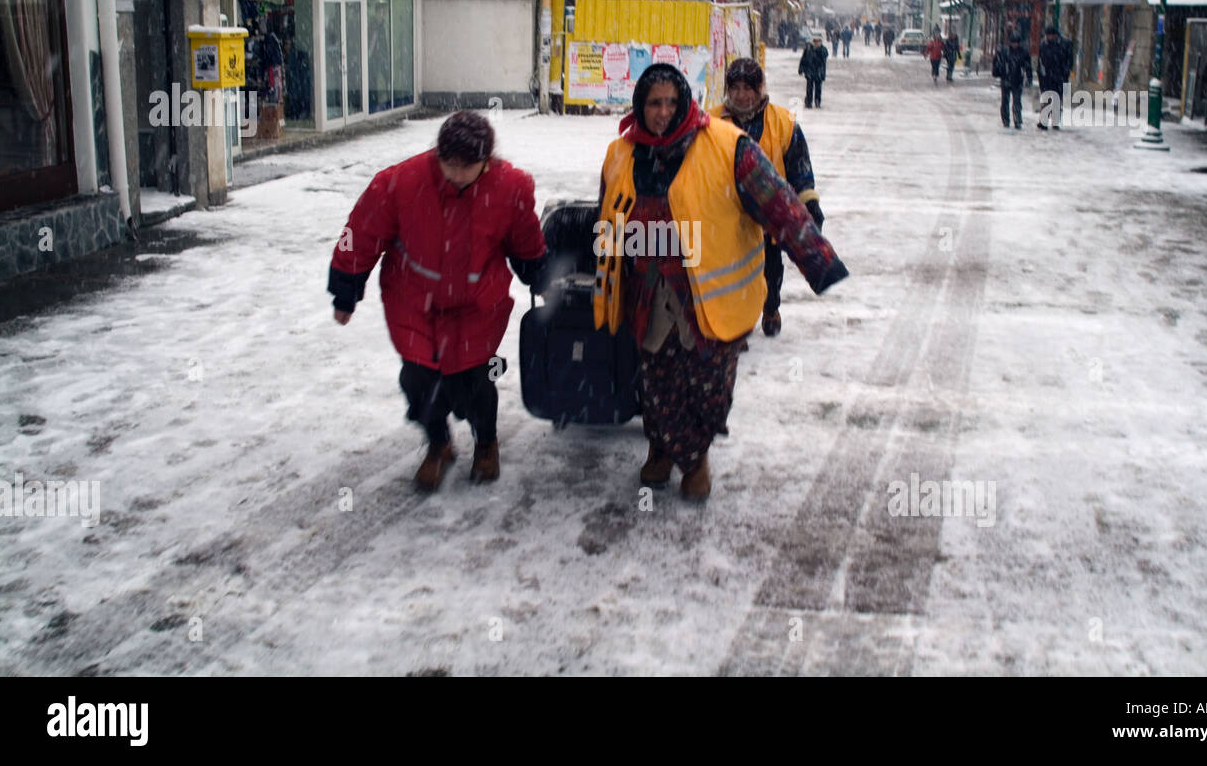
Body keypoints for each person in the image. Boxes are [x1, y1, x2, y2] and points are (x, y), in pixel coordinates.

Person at [593, 63, 848, 499]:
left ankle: (695, 458)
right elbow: (608, 216)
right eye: (654, 103)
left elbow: (779, 204)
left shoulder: (729, 146)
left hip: (711, 298)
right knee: (657, 381)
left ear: (686, 103)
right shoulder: (622, 152)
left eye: (672, 102)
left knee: (708, 387)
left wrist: (817, 259)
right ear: (640, 105)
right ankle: (661, 447)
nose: (662, 112)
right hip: (650, 293)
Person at [328, 111, 548, 491]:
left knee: (477, 379)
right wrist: (346, 288)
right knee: (418, 379)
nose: (458, 174)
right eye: (450, 164)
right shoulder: (399, 183)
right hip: (414, 301)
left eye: (469, 166)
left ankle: (486, 442)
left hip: (478, 305)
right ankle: (438, 443)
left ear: (487, 160)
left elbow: (526, 240)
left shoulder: (509, 187)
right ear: (438, 155)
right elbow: (359, 235)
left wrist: (538, 272)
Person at [708, 58, 825, 338]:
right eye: (734, 88)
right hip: (728, 216)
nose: (740, 94)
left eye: (748, 87)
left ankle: (770, 307)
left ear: (760, 88)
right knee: (731, 274)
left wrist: (808, 202)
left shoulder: (784, 124)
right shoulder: (710, 121)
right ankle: (737, 323)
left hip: (768, 216)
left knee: (770, 275)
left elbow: (799, 168)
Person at [1037, 24, 1075, 130]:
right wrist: (1041, 73)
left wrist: (1065, 71)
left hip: (1060, 76)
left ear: (1054, 35)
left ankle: (1055, 122)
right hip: (1047, 76)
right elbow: (1041, 60)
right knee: (1046, 99)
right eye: (1046, 36)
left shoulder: (1065, 44)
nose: (1047, 38)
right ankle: (1044, 121)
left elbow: (1069, 60)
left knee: (1057, 99)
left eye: (1049, 36)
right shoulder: (1044, 44)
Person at [992, 30, 1033, 129]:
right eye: (1013, 42)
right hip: (1006, 79)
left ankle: (1017, 120)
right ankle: (1006, 120)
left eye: (1016, 42)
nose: (1015, 44)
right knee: (1005, 101)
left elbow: (1028, 66)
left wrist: (1029, 77)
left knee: (1017, 102)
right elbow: (997, 62)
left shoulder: (1023, 52)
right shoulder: (1005, 51)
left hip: (1017, 80)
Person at [798, 34, 828, 107]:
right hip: (809, 71)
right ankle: (808, 102)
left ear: (820, 42)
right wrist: (801, 69)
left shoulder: (823, 49)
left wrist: (817, 52)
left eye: (818, 41)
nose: (816, 43)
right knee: (809, 88)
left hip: (819, 72)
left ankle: (817, 101)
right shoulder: (808, 49)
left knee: (818, 88)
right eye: (815, 41)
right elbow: (803, 59)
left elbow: (824, 59)